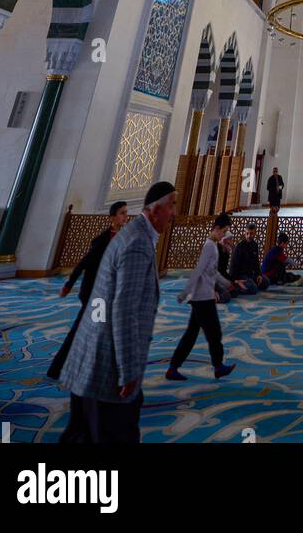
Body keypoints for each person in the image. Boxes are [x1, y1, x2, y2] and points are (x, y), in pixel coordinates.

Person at [59, 180, 177, 443]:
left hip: (95, 355)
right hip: (107, 362)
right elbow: (123, 311)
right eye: (172, 205)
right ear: (154, 210)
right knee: (110, 433)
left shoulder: (136, 234)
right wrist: (128, 370)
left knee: (84, 433)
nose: (174, 212)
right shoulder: (137, 242)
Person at [49, 201, 128, 385]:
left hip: (107, 292)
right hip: (96, 294)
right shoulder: (103, 240)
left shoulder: (121, 237)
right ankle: (61, 367)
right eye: (122, 213)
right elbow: (83, 263)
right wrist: (68, 285)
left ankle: (73, 367)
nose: (125, 216)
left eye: (126, 212)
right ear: (112, 217)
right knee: (92, 330)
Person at [166, 214, 237, 381]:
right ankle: (218, 367)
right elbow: (198, 271)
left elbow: (212, 271)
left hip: (202, 297)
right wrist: (185, 293)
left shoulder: (212, 245)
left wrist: (226, 283)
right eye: (224, 231)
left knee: (191, 335)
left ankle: (173, 368)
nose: (224, 235)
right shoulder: (209, 246)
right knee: (214, 333)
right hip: (203, 298)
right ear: (217, 228)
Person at [229, 224, 267, 293]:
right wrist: (234, 280)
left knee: (266, 282)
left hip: (251, 274)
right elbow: (233, 264)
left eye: (251, 233)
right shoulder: (240, 246)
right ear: (245, 233)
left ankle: (252, 283)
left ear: (255, 233)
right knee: (253, 288)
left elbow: (256, 262)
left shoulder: (255, 245)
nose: (249, 236)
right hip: (241, 275)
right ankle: (237, 287)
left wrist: (259, 275)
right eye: (247, 233)